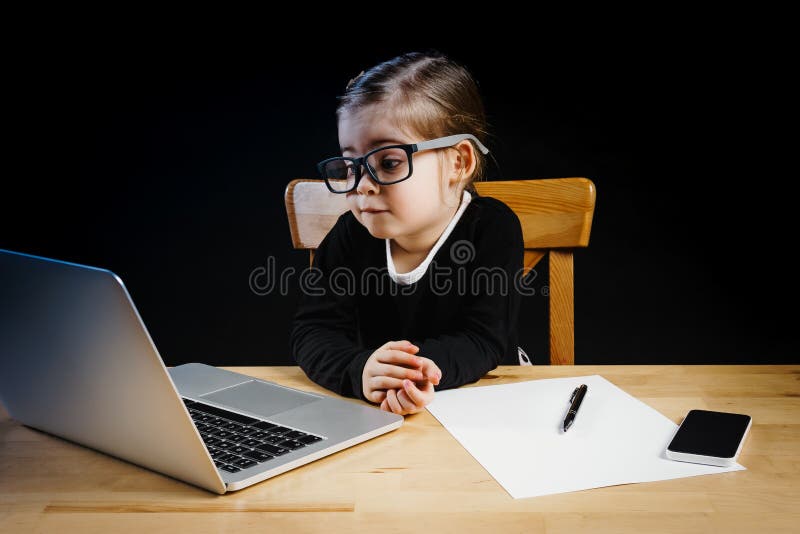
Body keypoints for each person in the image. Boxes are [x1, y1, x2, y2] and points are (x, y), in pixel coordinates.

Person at [290, 50, 525, 416]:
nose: (362, 186)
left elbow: (482, 340)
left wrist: (411, 374)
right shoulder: (351, 234)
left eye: (388, 162)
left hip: (484, 405)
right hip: (380, 410)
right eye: (351, 165)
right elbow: (314, 331)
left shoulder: (491, 228)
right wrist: (361, 370)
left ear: (458, 162)